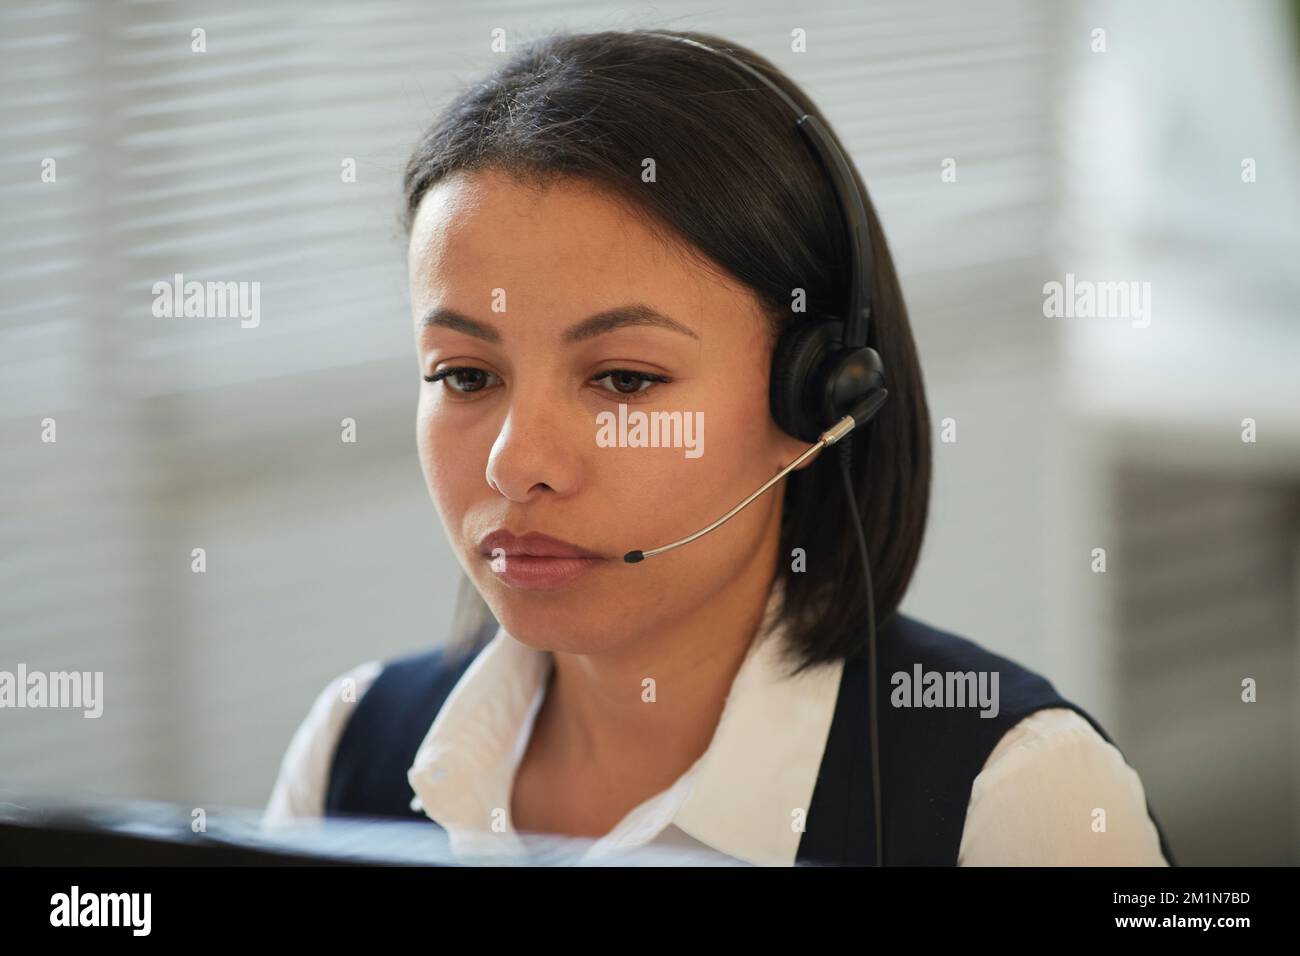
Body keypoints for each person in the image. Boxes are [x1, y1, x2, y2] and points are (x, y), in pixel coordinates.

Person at [264, 28, 1174, 866]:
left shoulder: (1014, 793)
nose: (514, 463)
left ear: (818, 397)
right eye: (465, 376)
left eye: (624, 380)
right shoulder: (352, 749)